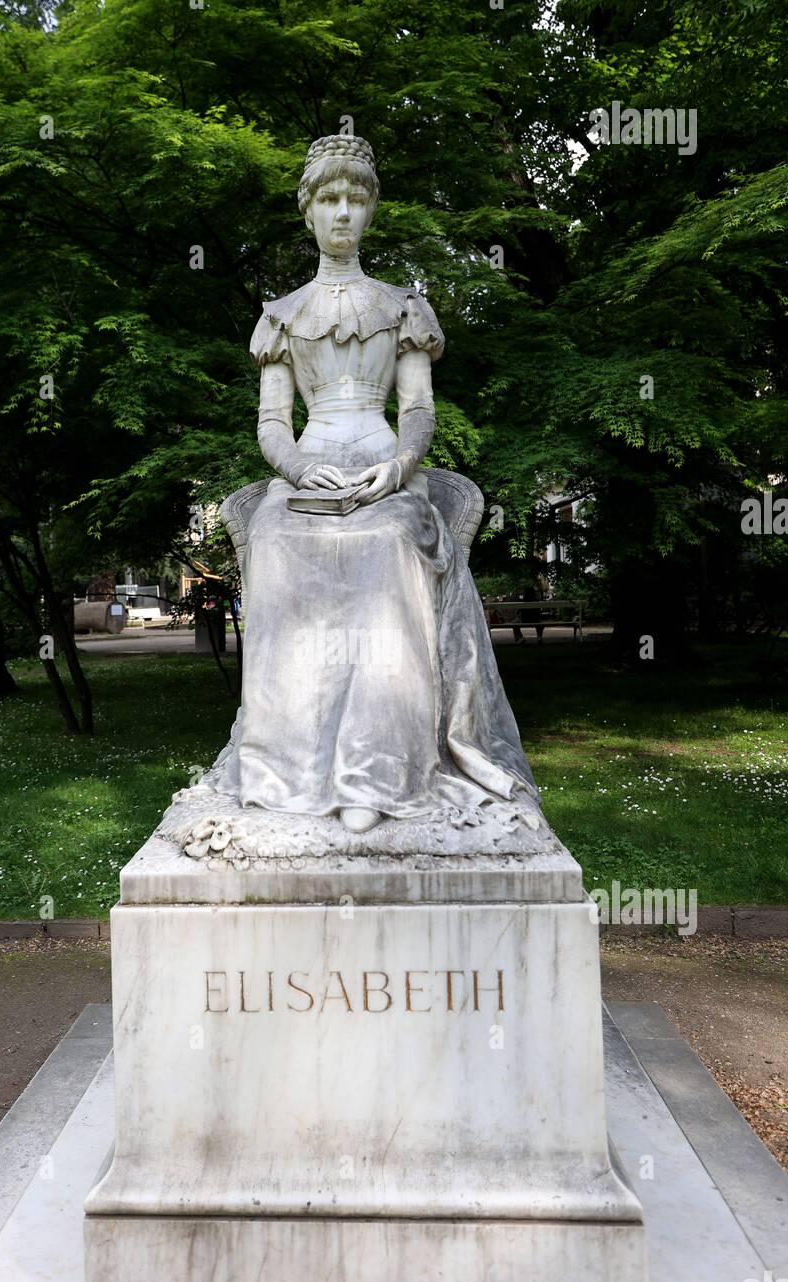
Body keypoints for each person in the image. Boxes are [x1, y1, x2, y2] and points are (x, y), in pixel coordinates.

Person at [207, 134, 537, 832]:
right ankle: (283, 767)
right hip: (310, 473)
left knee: (390, 544)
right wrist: (298, 468)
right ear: (307, 211)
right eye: (328, 199)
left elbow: (416, 410)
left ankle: (374, 769)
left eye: (355, 199)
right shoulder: (280, 315)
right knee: (274, 541)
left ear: (371, 210)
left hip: (387, 476)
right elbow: (271, 423)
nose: (342, 213)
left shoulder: (402, 305)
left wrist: (399, 468)